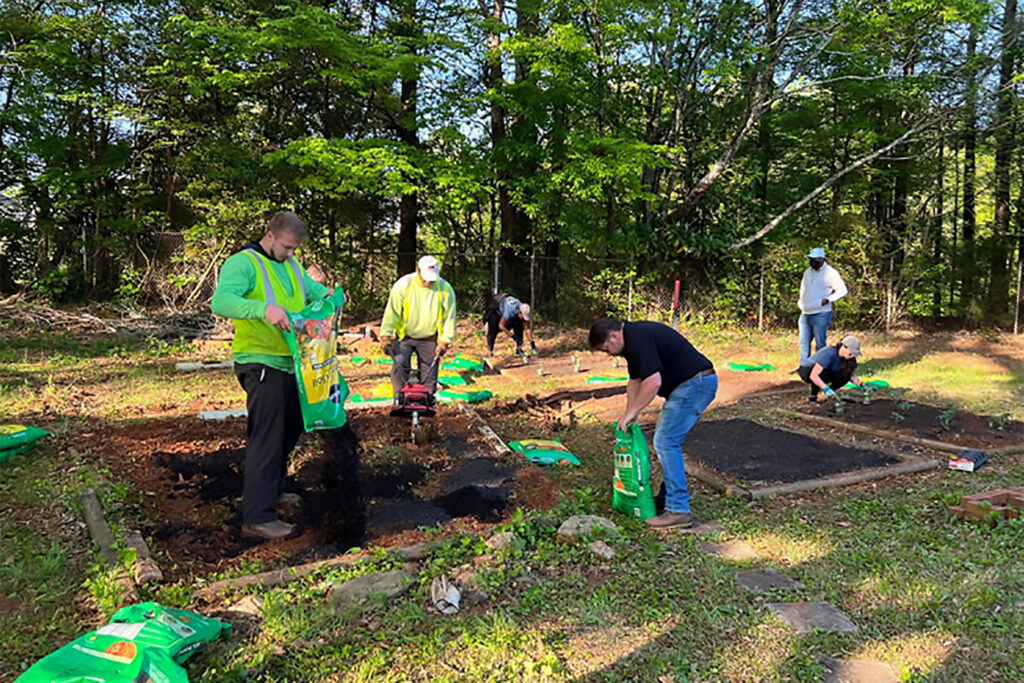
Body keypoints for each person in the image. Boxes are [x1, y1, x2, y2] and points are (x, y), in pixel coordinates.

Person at [210, 211, 331, 540]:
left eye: (295, 249)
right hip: (260, 361)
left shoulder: (291, 265)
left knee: (290, 429)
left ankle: (273, 489)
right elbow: (221, 302)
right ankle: (258, 516)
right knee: (267, 437)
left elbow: (312, 290)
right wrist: (263, 309)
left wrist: (330, 299)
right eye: (287, 247)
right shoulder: (244, 263)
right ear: (270, 235)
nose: (291, 254)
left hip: (292, 361)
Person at [589, 317, 717, 530]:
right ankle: (669, 499)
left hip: (695, 384)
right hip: (692, 384)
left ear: (613, 336)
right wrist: (629, 412)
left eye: (606, 349)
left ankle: (678, 510)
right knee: (668, 442)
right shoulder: (632, 340)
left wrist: (635, 410)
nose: (608, 354)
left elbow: (653, 382)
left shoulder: (638, 338)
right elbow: (635, 381)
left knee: (665, 442)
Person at [380, 255, 457, 399]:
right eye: (425, 278)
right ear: (418, 271)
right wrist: (386, 336)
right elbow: (392, 312)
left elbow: (449, 317)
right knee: (400, 364)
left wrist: (445, 341)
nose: (428, 281)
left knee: (430, 372)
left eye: (431, 279)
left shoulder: (445, 289)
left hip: (430, 337)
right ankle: (399, 398)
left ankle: (427, 400)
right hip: (405, 336)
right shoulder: (404, 285)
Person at [798, 247, 848, 363]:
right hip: (805, 312)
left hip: (821, 313)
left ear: (822, 259)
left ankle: (820, 367)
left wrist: (828, 300)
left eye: (815, 259)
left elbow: (842, 290)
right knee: (804, 343)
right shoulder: (807, 272)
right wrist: (800, 302)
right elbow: (803, 289)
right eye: (811, 258)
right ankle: (804, 367)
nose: (812, 261)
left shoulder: (830, 273)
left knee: (820, 343)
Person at [798, 336, 866, 403]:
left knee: (845, 375)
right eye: (851, 353)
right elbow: (814, 375)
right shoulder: (829, 354)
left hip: (827, 372)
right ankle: (813, 397)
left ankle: (830, 394)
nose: (853, 356)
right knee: (822, 373)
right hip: (807, 371)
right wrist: (826, 389)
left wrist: (862, 384)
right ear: (844, 347)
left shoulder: (850, 359)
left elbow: (851, 375)